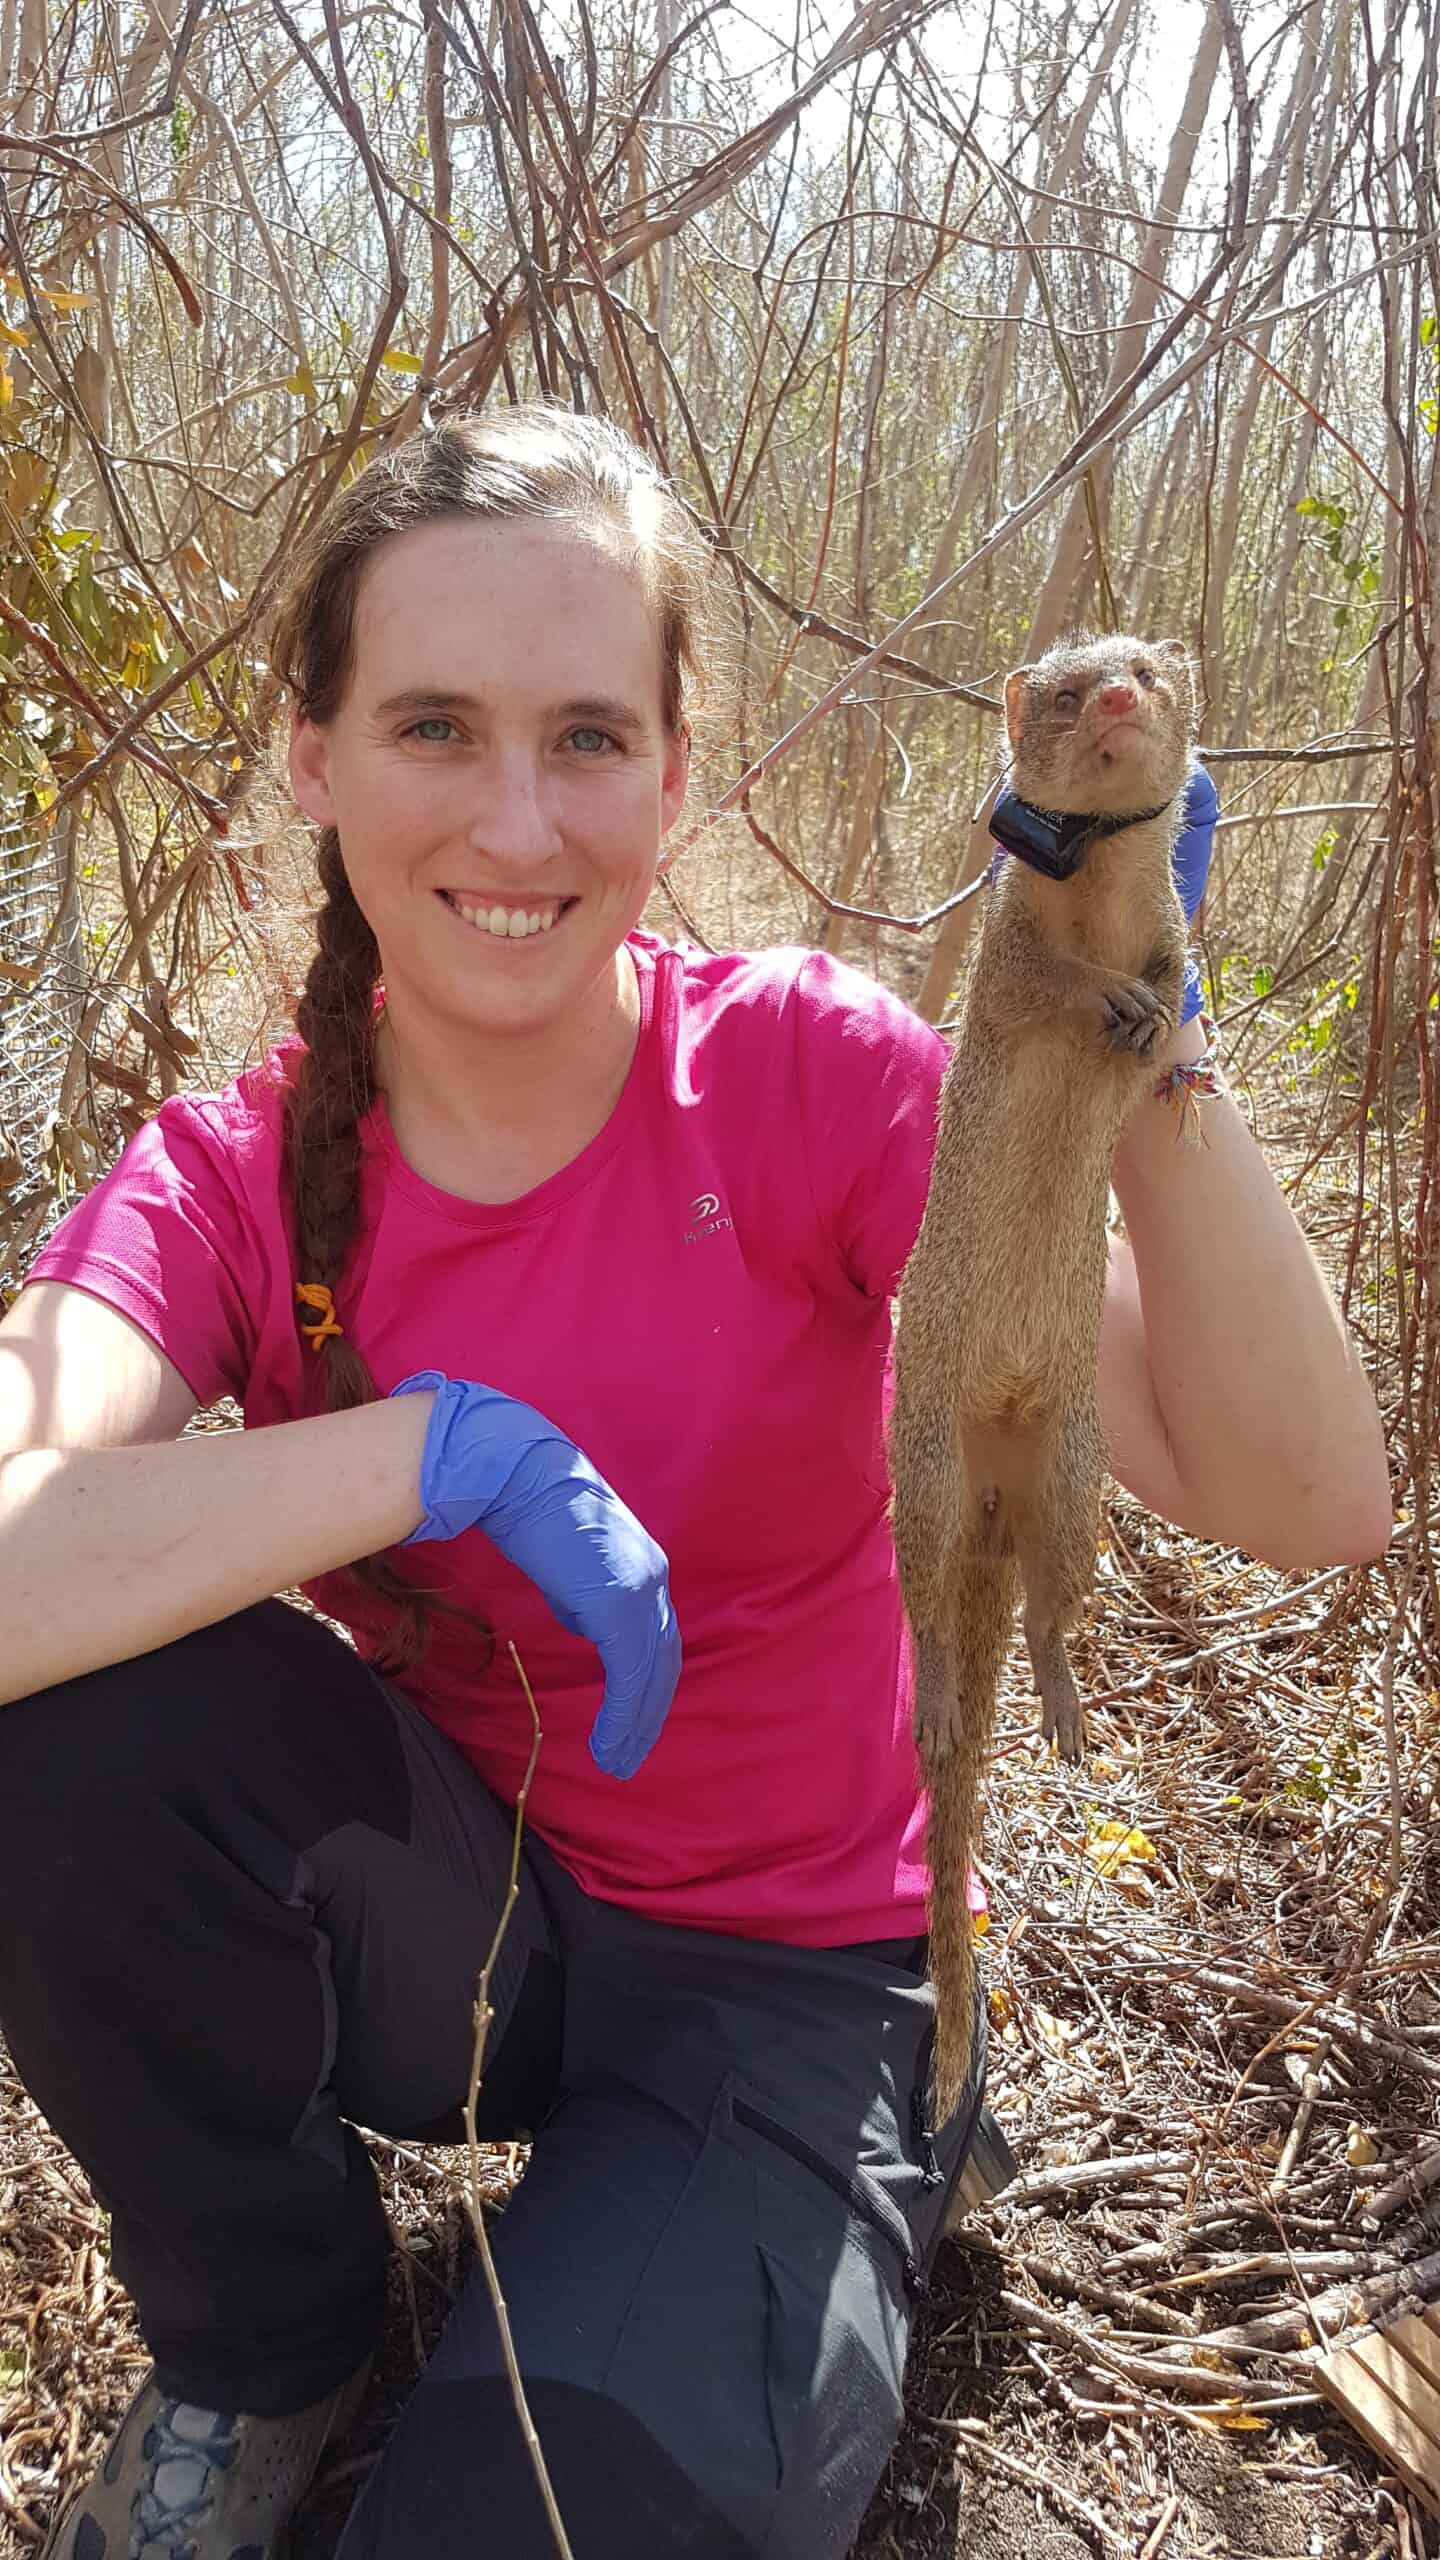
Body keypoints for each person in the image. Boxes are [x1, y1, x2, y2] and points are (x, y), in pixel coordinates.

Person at [0, 406, 1391, 2560]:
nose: (517, 819)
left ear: (674, 774)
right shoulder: (233, 1172)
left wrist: (1143, 1015)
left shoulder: (803, 1079)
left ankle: (836, 2173)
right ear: (314, 757)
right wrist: (433, 1448)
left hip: (791, 1973)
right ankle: (269, 2338)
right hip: (468, 1917)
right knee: (69, 1721)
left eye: (587, 736)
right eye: (435, 726)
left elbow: (1300, 1495)